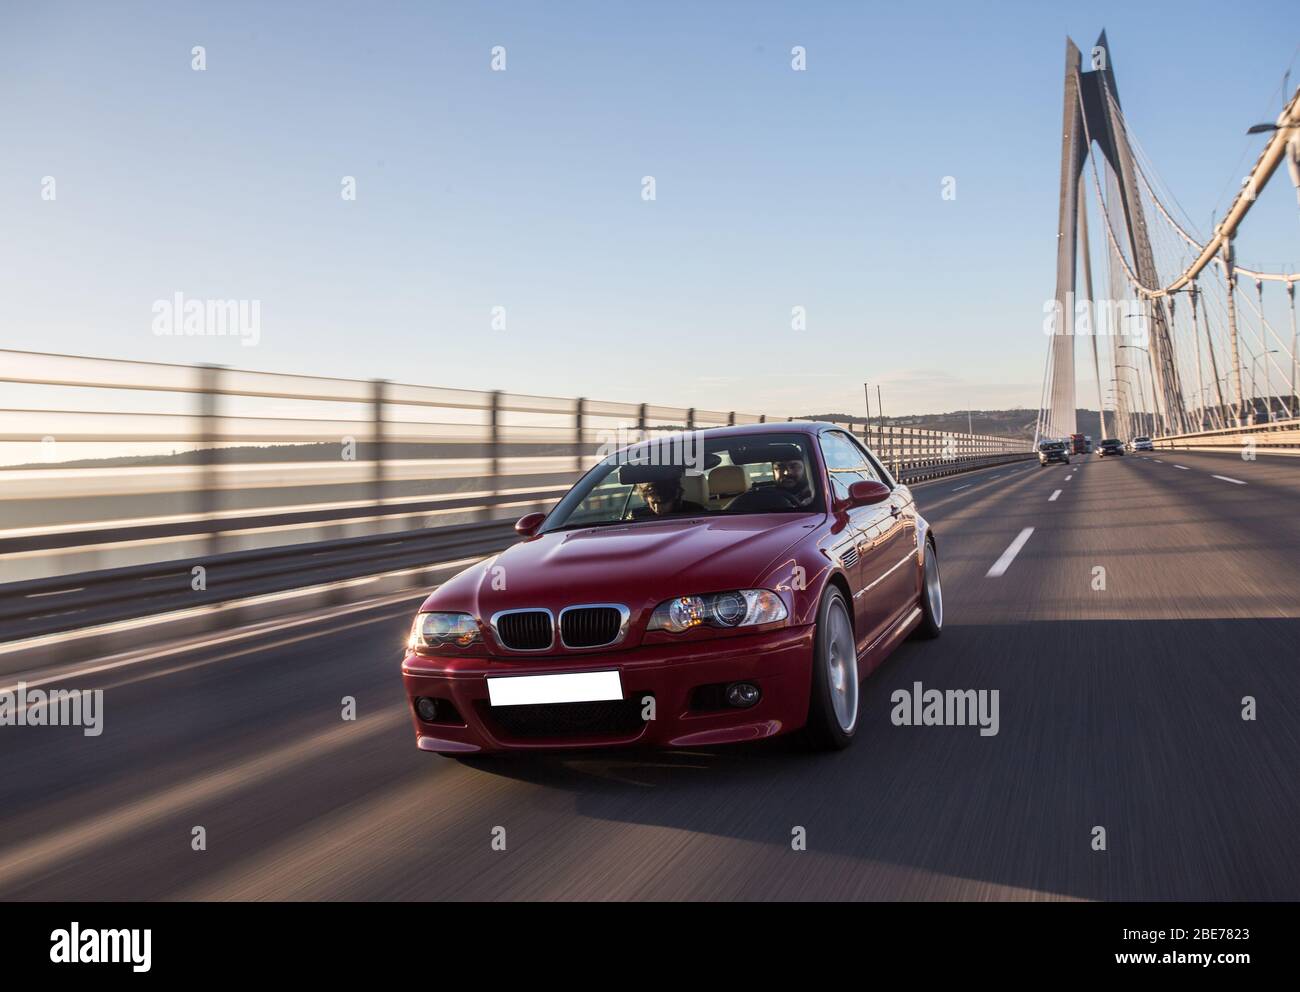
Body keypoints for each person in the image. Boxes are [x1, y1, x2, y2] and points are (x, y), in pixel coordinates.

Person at [631, 477, 706, 519]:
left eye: (663, 502)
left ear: (675, 497)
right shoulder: (638, 516)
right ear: (647, 499)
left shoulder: (695, 512)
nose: (657, 509)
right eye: (653, 503)